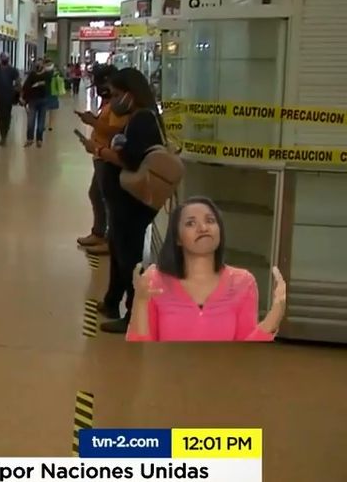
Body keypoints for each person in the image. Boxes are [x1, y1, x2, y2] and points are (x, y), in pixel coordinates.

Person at [127, 197, 286, 342]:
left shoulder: (243, 282)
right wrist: (140, 301)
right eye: (191, 223)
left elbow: (246, 355)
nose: (203, 228)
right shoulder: (155, 281)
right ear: (177, 238)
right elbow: (141, 354)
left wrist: (275, 315)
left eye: (210, 220)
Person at [94, 68, 166, 333]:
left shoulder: (143, 119)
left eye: (115, 94)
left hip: (132, 202)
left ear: (130, 93)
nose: (113, 100)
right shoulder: (138, 117)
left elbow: (130, 159)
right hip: (123, 200)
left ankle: (134, 313)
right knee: (118, 250)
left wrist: (101, 151)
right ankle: (112, 300)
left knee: (130, 257)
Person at [75, 65, 124, 255]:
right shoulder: (109, 102)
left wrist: (93, 122)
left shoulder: (119, 105)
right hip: (99, 153)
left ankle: (111, 240)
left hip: (108, 155)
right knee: (96, 194)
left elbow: (116, 132)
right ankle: (98, 232)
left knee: (109, 199)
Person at [0, 54, 20, 146]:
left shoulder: (13, 70)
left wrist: (19, 94)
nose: (4, 59)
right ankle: (3, 135)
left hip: (9, 96)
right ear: (0, 59)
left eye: (6, 58)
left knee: (7, 116)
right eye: (3, 58)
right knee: (1, 117)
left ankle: (5, 133)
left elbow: (18, 83)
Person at [21, 59, 52, 148]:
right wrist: (24, 99)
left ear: (43, 65)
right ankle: (29, 139)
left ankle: (39, 139)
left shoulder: (47, 75)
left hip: (43, 100)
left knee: (41, 122)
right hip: (33, 100)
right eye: (37, 64)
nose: (38, 65)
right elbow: (26, 87)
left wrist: (39, 83)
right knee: (31, 121)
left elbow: (48, 84)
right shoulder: (32, 75)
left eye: (40, 64)